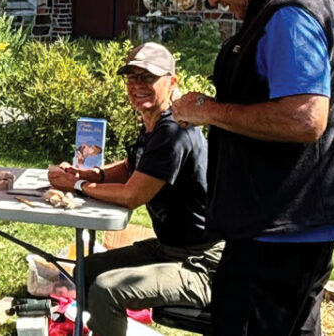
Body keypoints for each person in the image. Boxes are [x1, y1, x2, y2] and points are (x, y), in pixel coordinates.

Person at [171, 0, 334, 335]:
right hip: (289, 222)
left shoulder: (288, 13)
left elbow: (305, 118)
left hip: (284, 227)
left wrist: (209, 111)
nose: (211, 0)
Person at [46, 42, 220, 335]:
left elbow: (131, 195)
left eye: (148, 77)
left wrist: (77, 184)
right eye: (132, 77)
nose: (138, 85)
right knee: (85, 271)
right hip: (168, 248)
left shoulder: (175, 130)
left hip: (202, 263)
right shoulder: (156, 123)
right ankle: (104, 327)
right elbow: (133, 166)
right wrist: (90, 173)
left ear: (172, 82)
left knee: (106, 289)